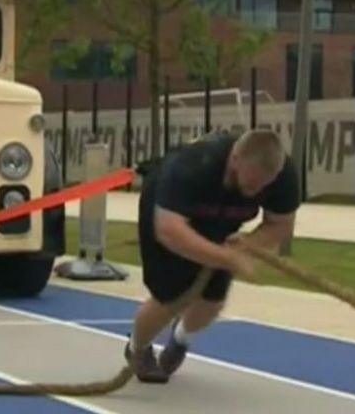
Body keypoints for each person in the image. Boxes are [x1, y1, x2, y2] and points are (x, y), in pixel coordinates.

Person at [125, 129, 299, 383]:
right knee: (172, 297)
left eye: (264, 185)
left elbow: (281, 224)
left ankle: (181, 339)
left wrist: (248, 245)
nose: (257, 190)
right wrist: (226, 258)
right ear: (236, 158)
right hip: (168, 214)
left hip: (220, 217)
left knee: (213, 301)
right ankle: (137, 349)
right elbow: (169, 229)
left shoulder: (282, 176)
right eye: (252, 183)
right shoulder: (193, 165)